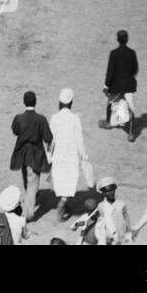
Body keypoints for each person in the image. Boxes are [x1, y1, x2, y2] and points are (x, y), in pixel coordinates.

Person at [10, 90, 53, 223]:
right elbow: (48, 137)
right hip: (35, 154)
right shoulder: (41, 119)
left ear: (24, 102)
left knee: (27, 178)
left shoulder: (18, 118)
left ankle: (31, 201)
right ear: (35, 102)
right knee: (33, 182)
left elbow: (15, 131)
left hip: (22, 153)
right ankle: (29, 213)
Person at [48, 87, 90, 221]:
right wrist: (84, 156)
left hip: (58, 154)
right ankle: (63, 203)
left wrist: (49, 155)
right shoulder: (75, 119)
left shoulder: (55, 118)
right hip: (71, 155)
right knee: (69, 180)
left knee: (60, 179)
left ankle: (63, 202)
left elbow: (51, 140)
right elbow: (79, 140)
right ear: (71, 103)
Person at [104, 30, 138, 143]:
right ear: (127, 39)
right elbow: (135, 69)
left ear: (118, 40)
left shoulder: (114, 53)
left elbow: (110, 71)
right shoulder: (132, 53)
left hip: (116, 86)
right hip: (128, 85)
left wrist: (106, 85)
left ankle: (109, 123)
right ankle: (131, 134)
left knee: (110, 103)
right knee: (131, 108)